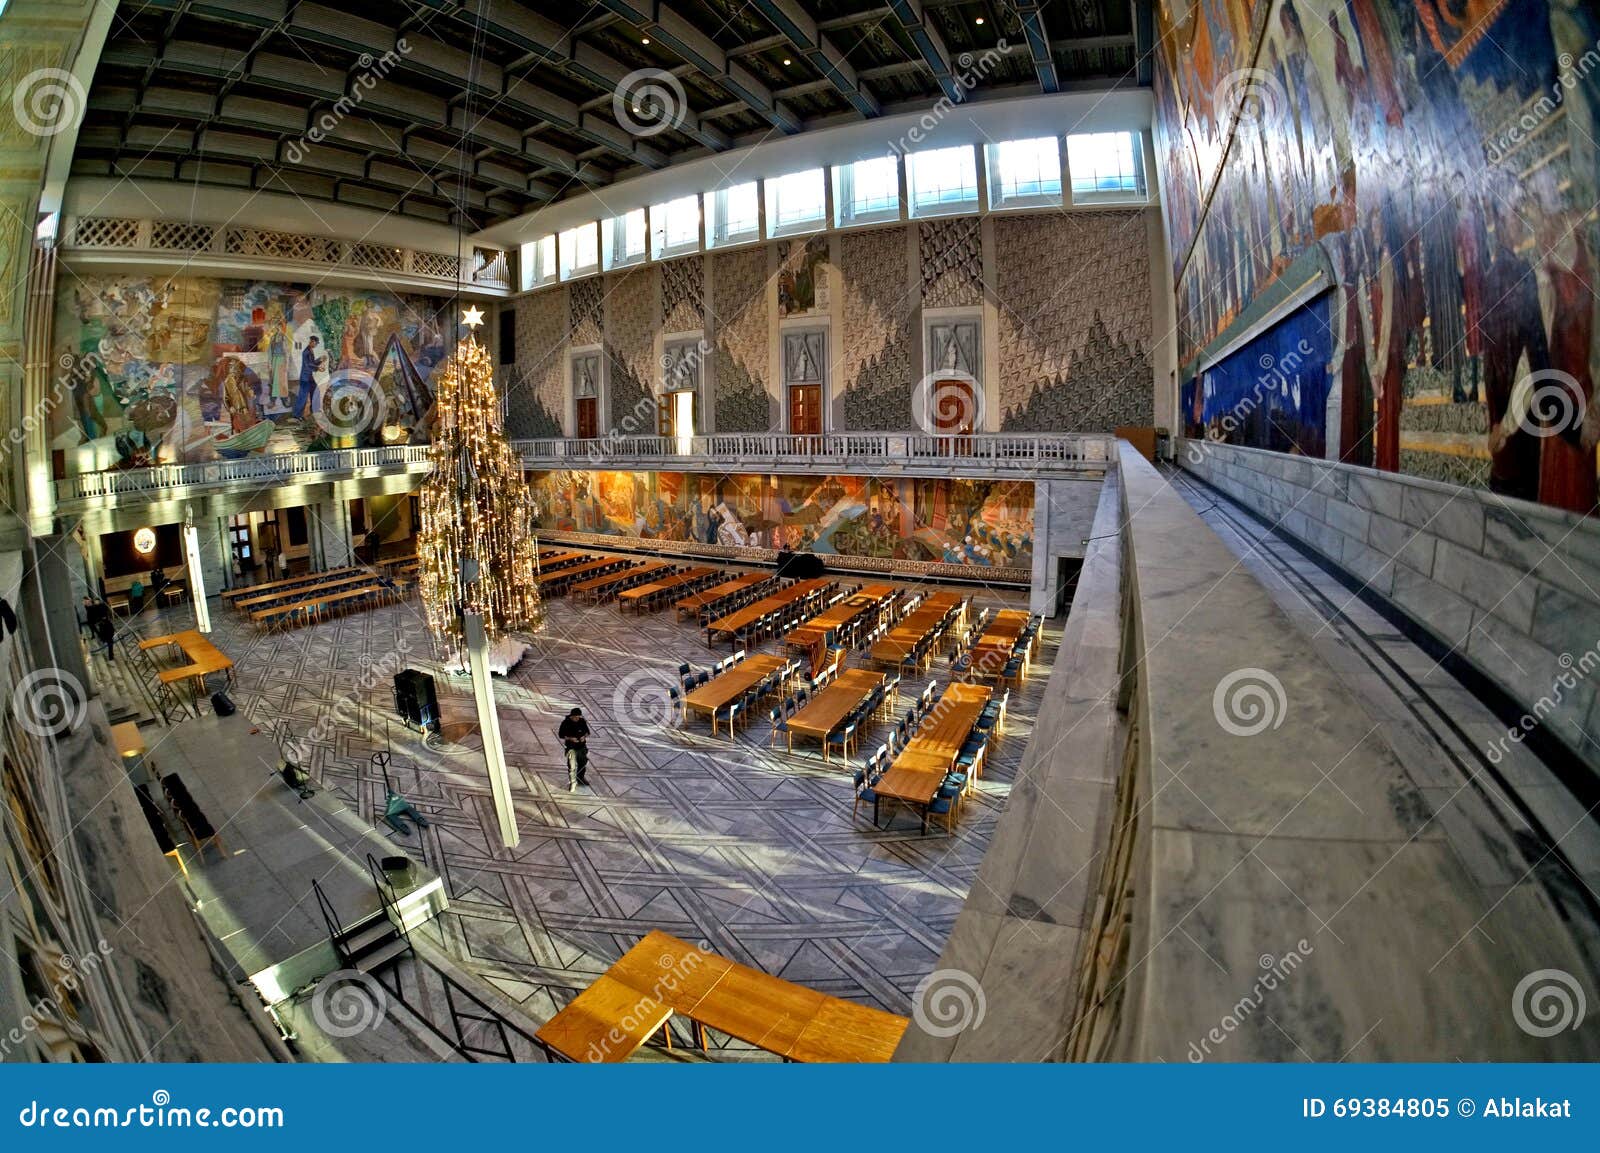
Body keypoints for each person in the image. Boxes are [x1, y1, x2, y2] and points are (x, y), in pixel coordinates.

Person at [558, 707, 590, 791]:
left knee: (582, 764)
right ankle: (573, 782)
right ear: (571, 716)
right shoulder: (565, 723)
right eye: (576, 717)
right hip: (571, 748)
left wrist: (584, 736)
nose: (577, 718)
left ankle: (580, 778)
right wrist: (570, 739)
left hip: (582, 747)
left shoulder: (582, 721)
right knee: (571, 767)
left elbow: (587, 732)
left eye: (578, 717)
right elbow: (560, 735)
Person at [294, 334, 325, 420]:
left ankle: (314, 411)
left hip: (309, 377)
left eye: (317, 343)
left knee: (315, 392)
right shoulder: (306, 352)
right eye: (315, 343)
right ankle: (297, 415)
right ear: (312, 342)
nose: (316, 345)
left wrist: (319, 360)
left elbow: (312, 363)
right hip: (305, 378)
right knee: (303, 397)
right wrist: (318, 367)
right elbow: (308, 365)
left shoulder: (310, 351)